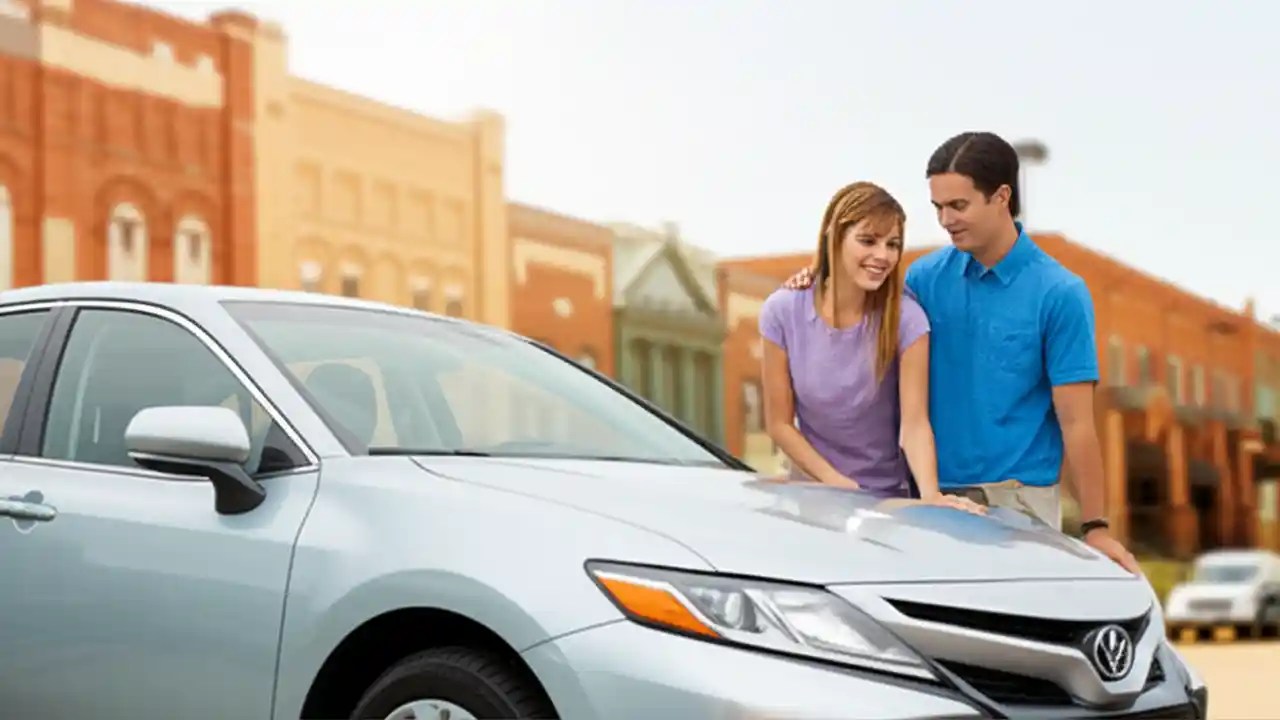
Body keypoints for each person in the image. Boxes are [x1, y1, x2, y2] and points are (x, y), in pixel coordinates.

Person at [781, 132, 1139, 574]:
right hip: (927, 500)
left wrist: (1096, 525)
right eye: (938, 208)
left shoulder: (1060, 293)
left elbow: (1078, 422)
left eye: (958, 206)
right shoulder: (923, 279)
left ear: (1002, 197)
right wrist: (824, 273)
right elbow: (858, 296)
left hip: (1016, 508)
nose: (946, 220)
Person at [759, 180, 982, 514]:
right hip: (811, 499)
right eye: (868, 241)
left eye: (893, 244)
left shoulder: (907, 319)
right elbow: (779, 424)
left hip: (885, 505)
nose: (883, 256)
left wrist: (931, 495)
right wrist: (836, 484)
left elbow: (915, 423)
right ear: (834, 236)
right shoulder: (782, 311)